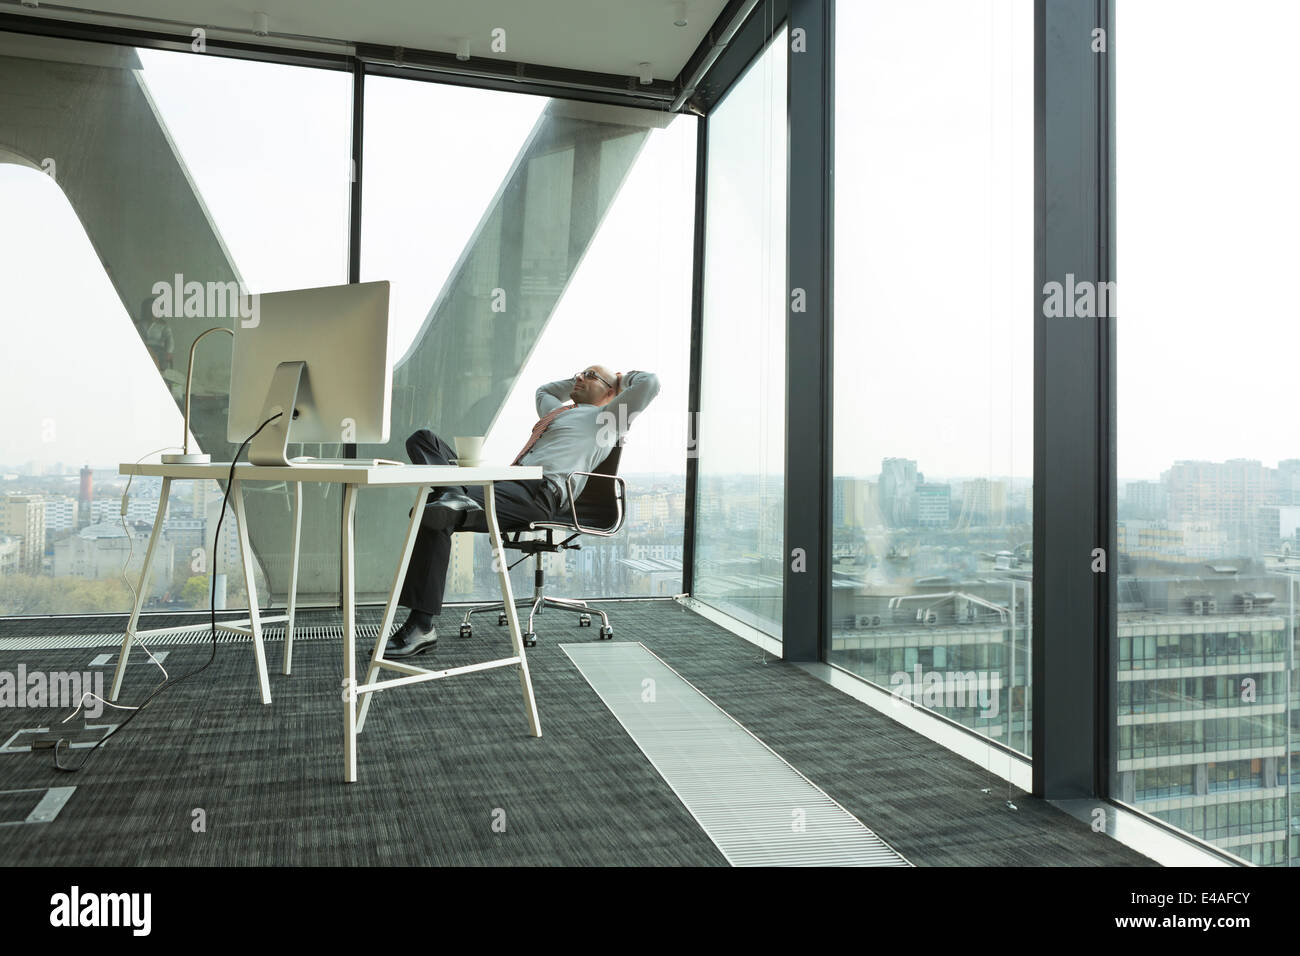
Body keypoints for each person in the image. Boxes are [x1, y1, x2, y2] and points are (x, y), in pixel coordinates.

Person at [386, 365, 661, 658]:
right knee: (423, 439)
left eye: (589, 376)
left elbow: (650, 383)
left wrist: (620, 381)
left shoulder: (608, 419)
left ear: (610, 393)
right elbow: (544, 391)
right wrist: (580, 380)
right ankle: (454, 495)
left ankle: (421, 626)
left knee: (435, 513)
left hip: (538, 493)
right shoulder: (557, 413)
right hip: (506, 483)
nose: (579, 377)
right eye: (578, 373)